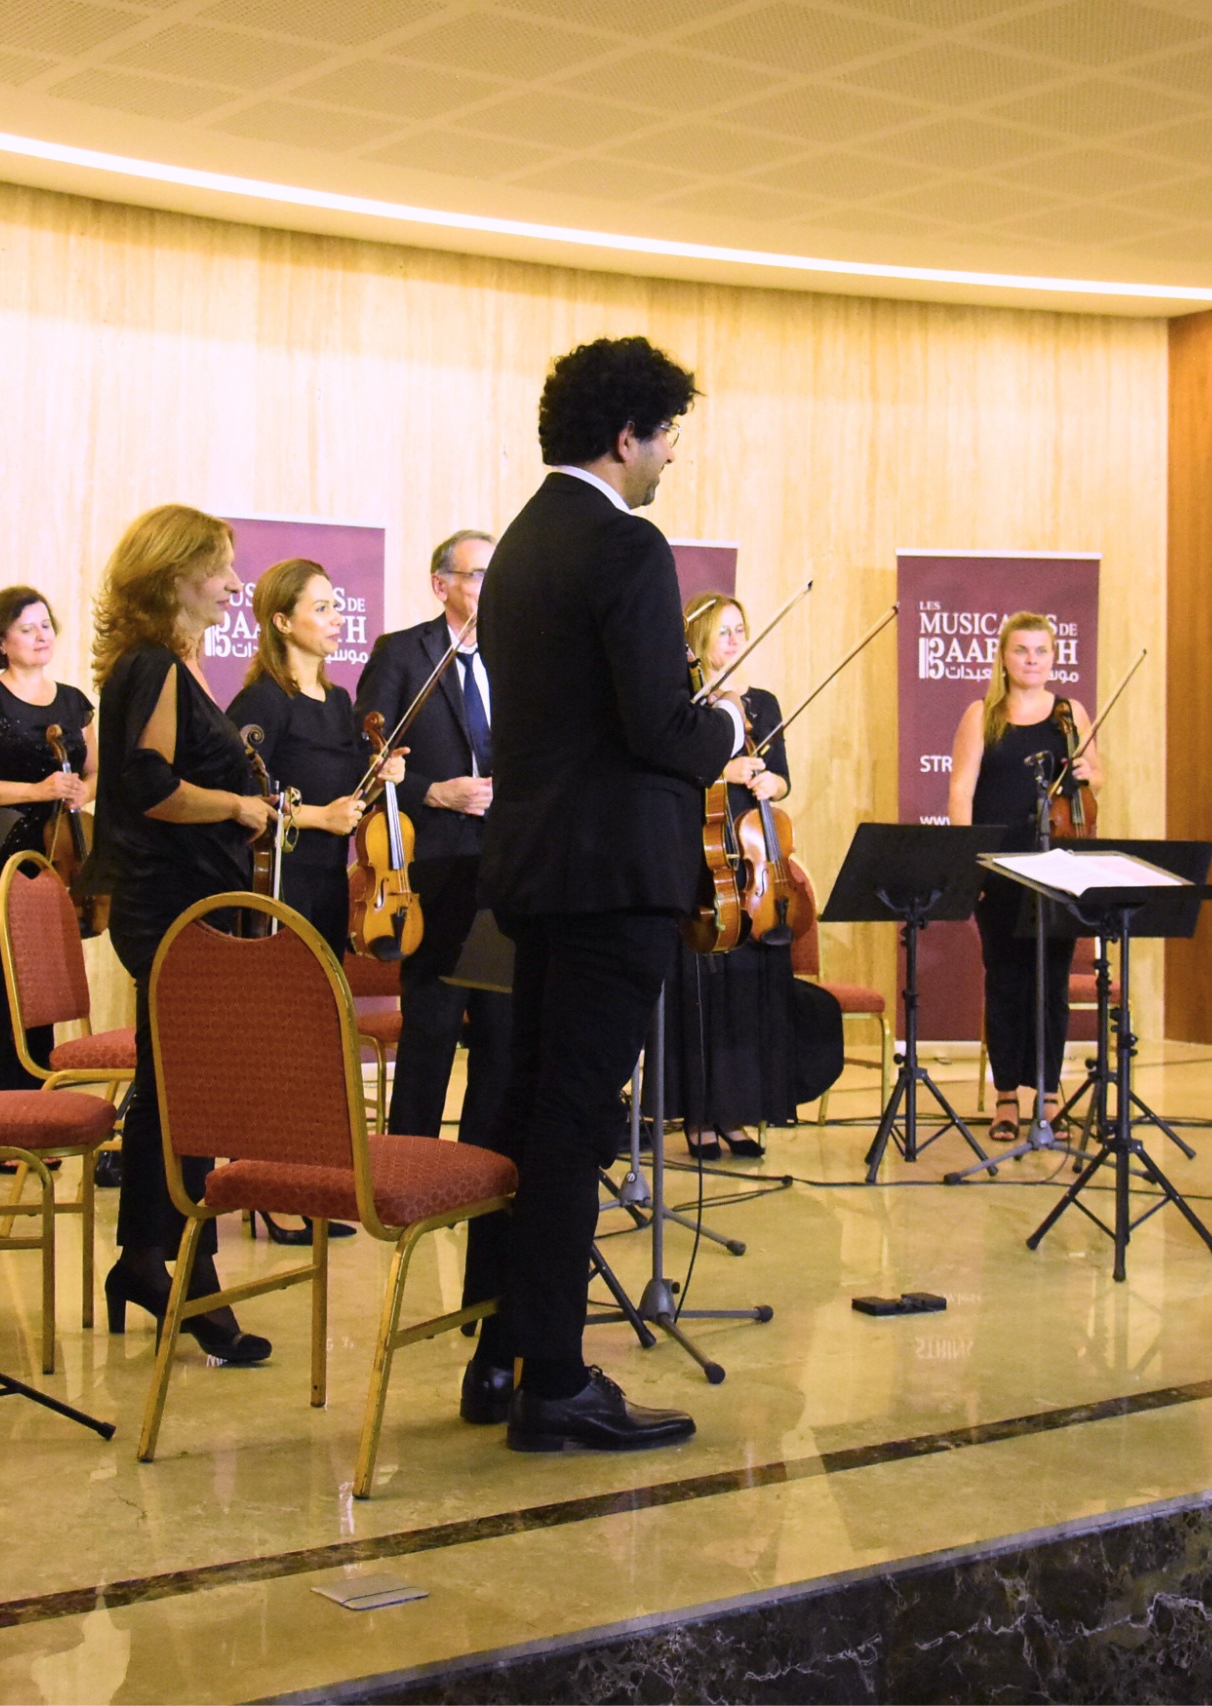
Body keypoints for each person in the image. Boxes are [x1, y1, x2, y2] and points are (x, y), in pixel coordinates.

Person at [464, 335, 740, 1453]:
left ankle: (502, 1353)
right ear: (626, 435)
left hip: (535, 876)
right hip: (612, 882)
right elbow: (657, 728)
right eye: (666, 433)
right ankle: (559, 1382)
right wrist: (723, 724)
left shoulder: (523, 544)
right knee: (574, 1131)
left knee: (529, 1118)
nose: (671, 455)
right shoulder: (627, 545)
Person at [87, 504, 274, 1367]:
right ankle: (167, 1268)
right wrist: (240, 805)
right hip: (170, 906)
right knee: (183, 1088)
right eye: (223, 567)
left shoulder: (172, 666)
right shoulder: (154, 664)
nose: (236, 583)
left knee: (179, 1086)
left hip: (195, 899)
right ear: (175, 574)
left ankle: (149, 1260)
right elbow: (150, 787)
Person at [358, 529, 510, 1146]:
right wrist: (434, 790)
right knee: (434, 1024)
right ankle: (411, 1159)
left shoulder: (517, 653)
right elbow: (367, 762)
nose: (488, 588)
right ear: (441, 584)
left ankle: (483, 1161)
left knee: (501, 1025)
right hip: (433, 864)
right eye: (477, 575)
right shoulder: (403, 653)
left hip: (502, 864)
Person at [0, 587, 96, 1173]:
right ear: (0, 641)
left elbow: (93, 769)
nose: (41, 635)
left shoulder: (75, 703)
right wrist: (36, 791)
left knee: (41, 988)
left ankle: (39, 1119)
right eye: (27, 628)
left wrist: (85, 790)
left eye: (45, 625)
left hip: (55, 857)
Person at [945, 613, 1101, 1144]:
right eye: (1022, 650)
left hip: (1057, 864)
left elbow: (1096, 774)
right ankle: (1007, 1094)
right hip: (999, 865)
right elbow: (961, 791)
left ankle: (1049, 1092)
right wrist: (970, 862)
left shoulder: (1069, 714)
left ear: (1053, 657)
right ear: (1005, 659)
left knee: (1052, 982)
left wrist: (1086, 772)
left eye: (1041, 651)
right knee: (1006, 979)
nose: (1032, 659)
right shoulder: (983, 714)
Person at [669, 593, 795, 1161]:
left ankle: (736, 1114)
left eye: (740, 630)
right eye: (722, 632)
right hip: (704, 855)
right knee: (702, 987)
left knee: (744, 988)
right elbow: (674, 767)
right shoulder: (686, 703)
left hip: (755, 864)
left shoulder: (763, 704)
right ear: (698, 639)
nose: (735, 641)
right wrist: (724, 767)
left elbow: (784, 775)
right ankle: (697, 1117)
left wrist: (774, 785)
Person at [223, 557, 387, 954]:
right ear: (282, 623)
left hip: (329, 880)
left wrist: (379, 779)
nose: (337, 619)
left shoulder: (338, 701)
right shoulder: (263, 700)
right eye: (321, 608)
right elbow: (240, 800)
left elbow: (350, 796)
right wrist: (321, 817)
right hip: (279, 880)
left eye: (335, 606)